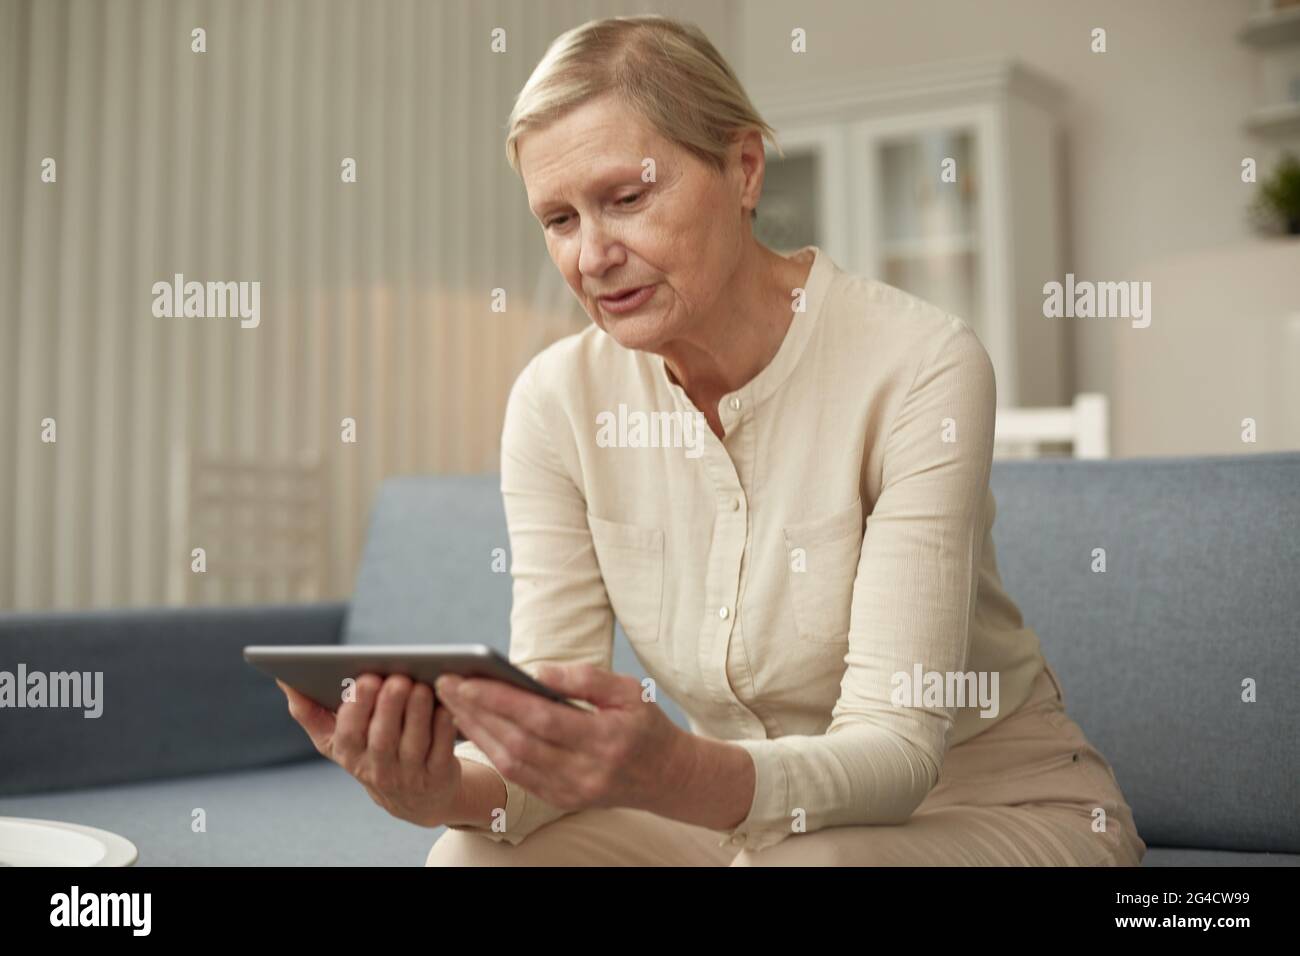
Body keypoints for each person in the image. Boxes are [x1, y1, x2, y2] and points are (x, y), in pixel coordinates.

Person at [281, 14, 1146, 867]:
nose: (591, 256)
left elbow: (896, 755)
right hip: (730, 817)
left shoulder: (919, 365)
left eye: (626, 198)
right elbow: (555, 749)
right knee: (472, 859)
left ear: (742, 168)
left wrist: (671, 766)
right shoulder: (556, 402)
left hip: (982, 805)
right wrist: (434, 791)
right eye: (559, 219)